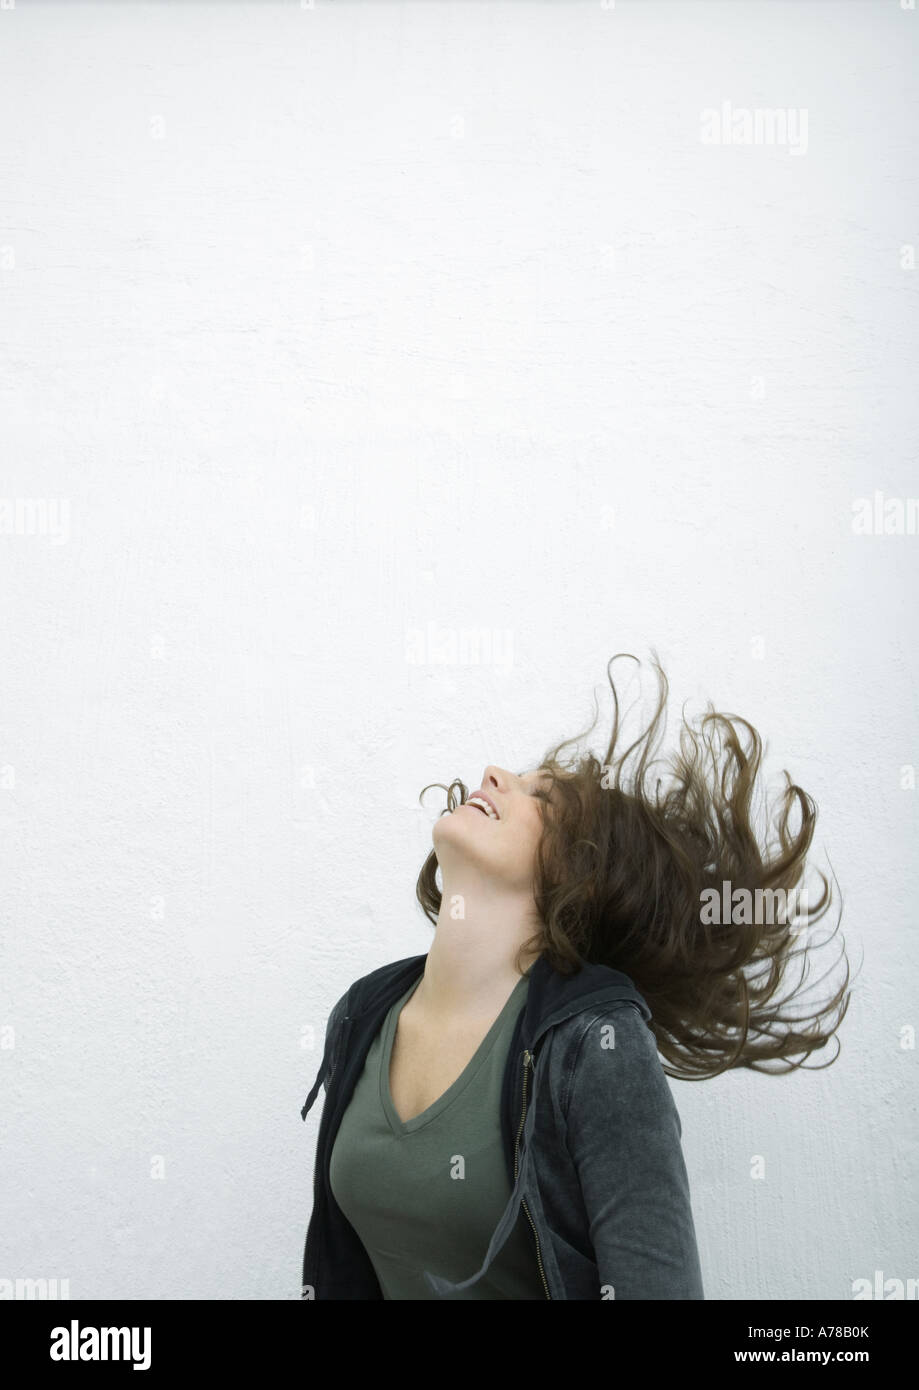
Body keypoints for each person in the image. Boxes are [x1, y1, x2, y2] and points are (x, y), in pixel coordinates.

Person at [299, 652, 851, 1299]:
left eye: (542, 797)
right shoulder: (363, 1014)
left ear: (579, 871)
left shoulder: (595, 1046)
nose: (494, 775)